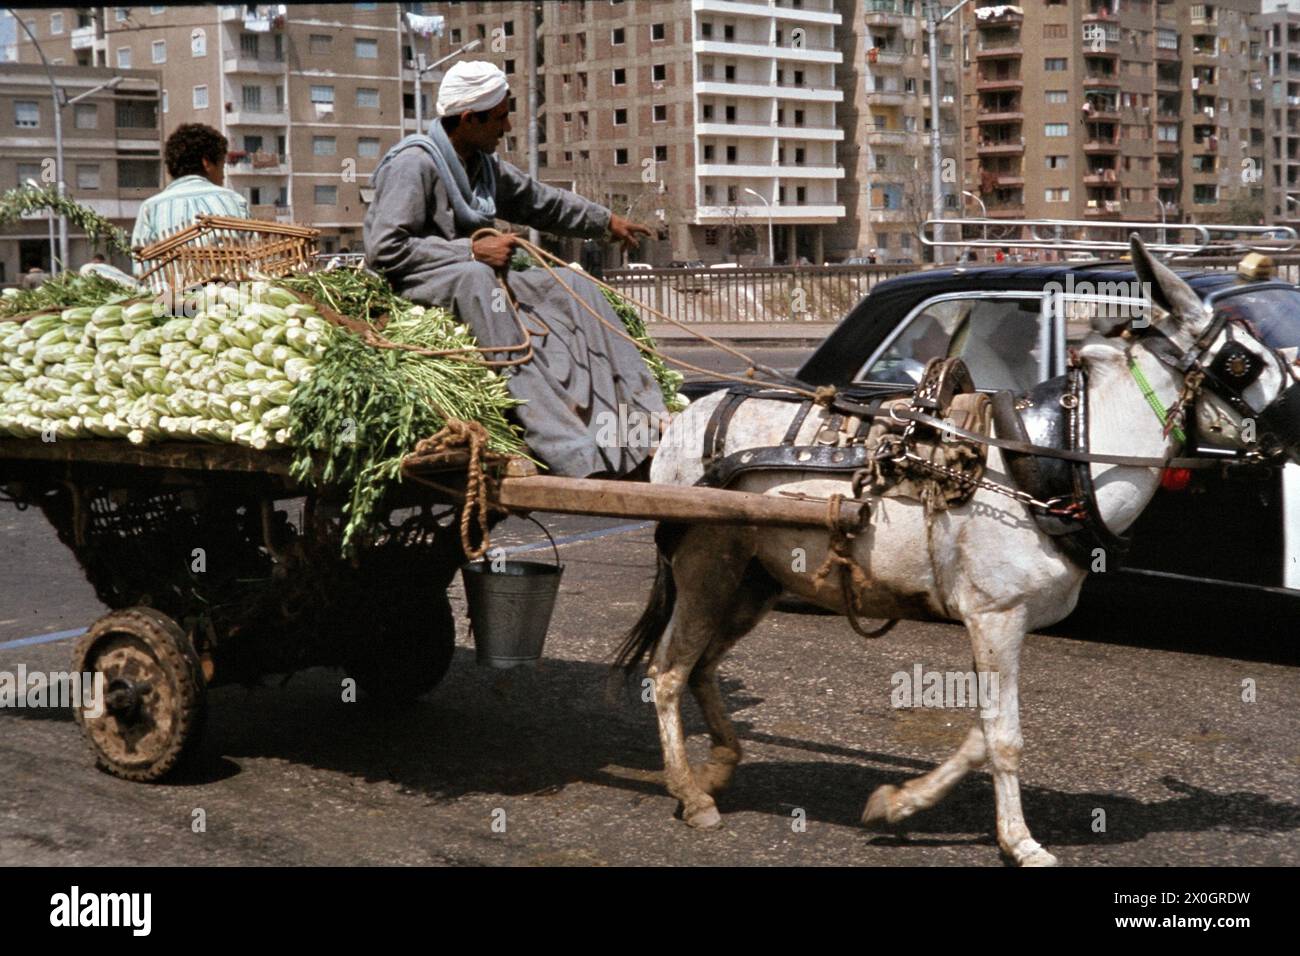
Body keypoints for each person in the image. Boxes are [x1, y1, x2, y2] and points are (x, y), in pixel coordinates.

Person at [364, 60, 666, 478]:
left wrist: (605, 222)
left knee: (573, 283)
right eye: (501, 117)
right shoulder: (414, 164)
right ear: (470, 118)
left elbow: (538, 200)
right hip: (418, 280)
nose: (506, 128)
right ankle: (569, 449)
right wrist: (471, 251)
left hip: (476, 276)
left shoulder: (482, 166)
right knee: (477, 279)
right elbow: (385, 250)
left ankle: (645, 422)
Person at [131, 123, 249, 261]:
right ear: (207, 163)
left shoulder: (150, 208)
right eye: (222, 165)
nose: (223, 175)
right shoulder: (235, 201)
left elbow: (141, 266)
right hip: (230, 282)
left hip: (171, 282)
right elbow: (252, 259)